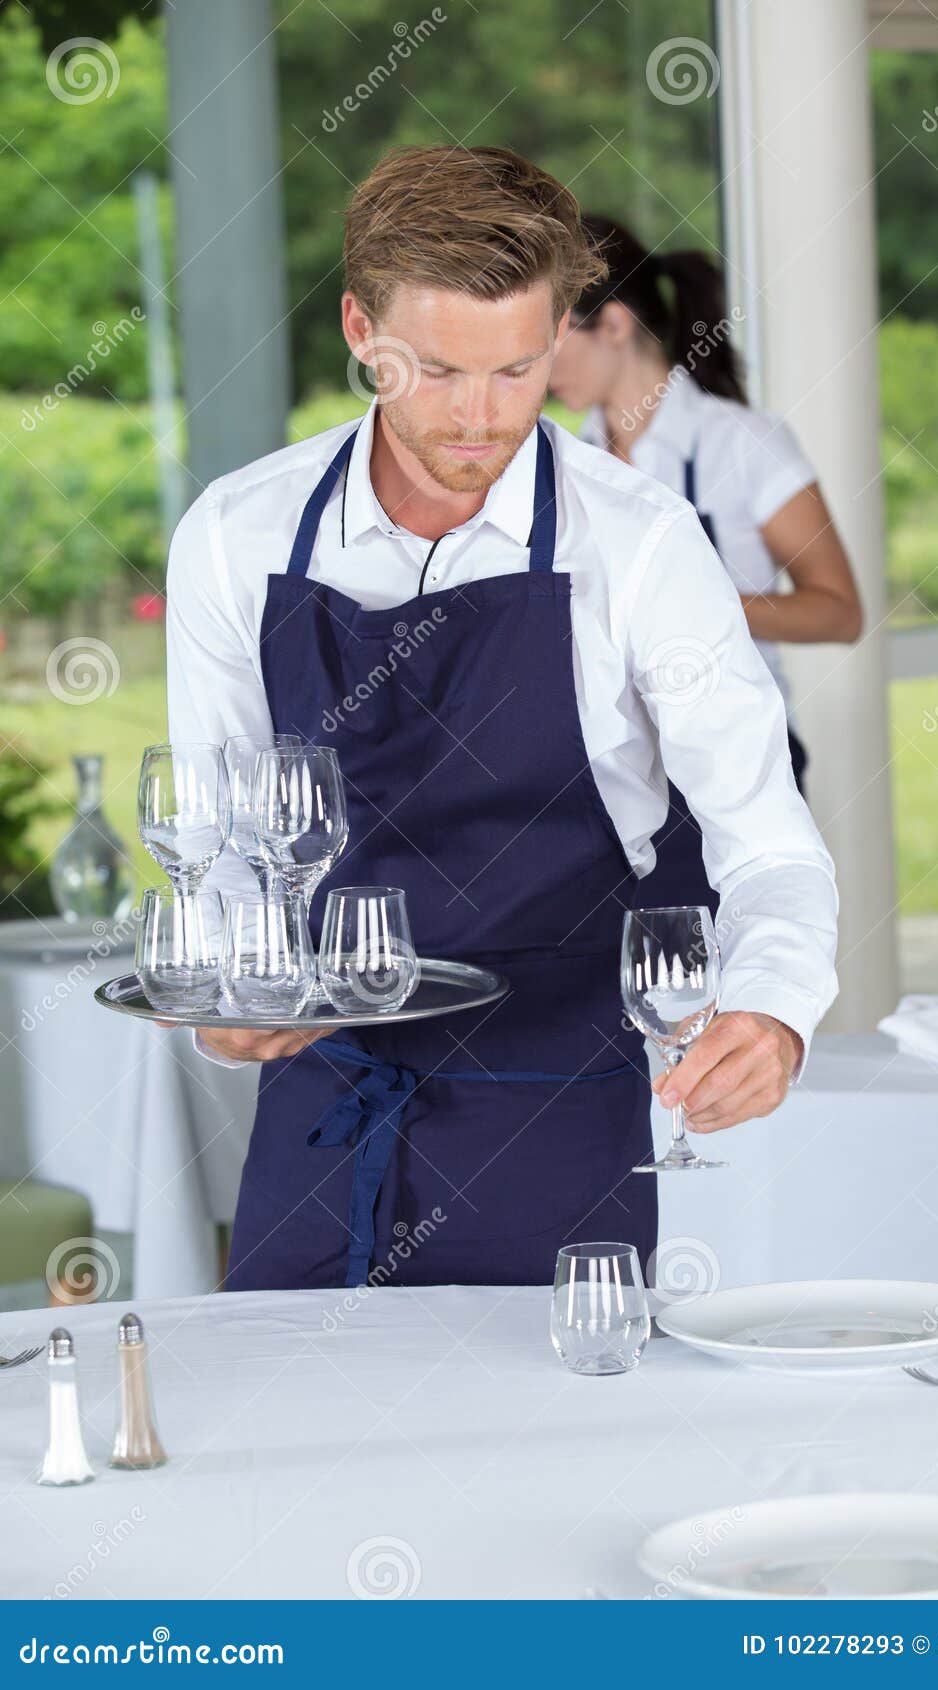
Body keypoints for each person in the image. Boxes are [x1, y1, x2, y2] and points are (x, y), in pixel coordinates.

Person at [165, 146, 839, 1293]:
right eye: (435, 371)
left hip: (557, 1116)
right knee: (275, 1401)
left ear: (560, 333)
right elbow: (225, 839)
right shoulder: (236, 536)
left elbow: (767, 842)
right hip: (326, 1109)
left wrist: (774, 1010)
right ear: (359, 328)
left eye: (518, 369)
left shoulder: (640, 545)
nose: (481, 417)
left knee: (552, 1411)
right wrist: (232, 984)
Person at [548, 215, 862, 910]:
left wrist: (693, 608)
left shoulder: (742, 444)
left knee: (731, 965)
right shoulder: (571, 465)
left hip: (730, 758)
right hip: (610, 772)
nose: (536, 364)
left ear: (614, 324)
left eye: (553, 334)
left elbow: (839, 611)